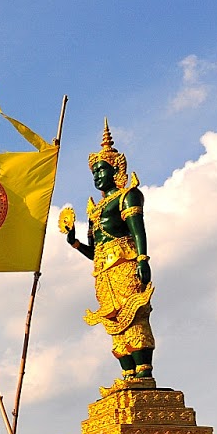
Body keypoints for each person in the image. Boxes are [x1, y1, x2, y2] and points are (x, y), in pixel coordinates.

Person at [63, 120, 155, 391]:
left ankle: (144, 375)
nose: (97, 177)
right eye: (94, 173)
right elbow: (95, 252)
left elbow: (138, 230)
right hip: (104, 272)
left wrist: (142, 259)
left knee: (134, 316)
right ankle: (128, 375)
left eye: (101, 170)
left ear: (116, 170)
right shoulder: (95, 211)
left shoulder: (128, 196)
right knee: (114, 322)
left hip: (126, 263)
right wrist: (76, 243)